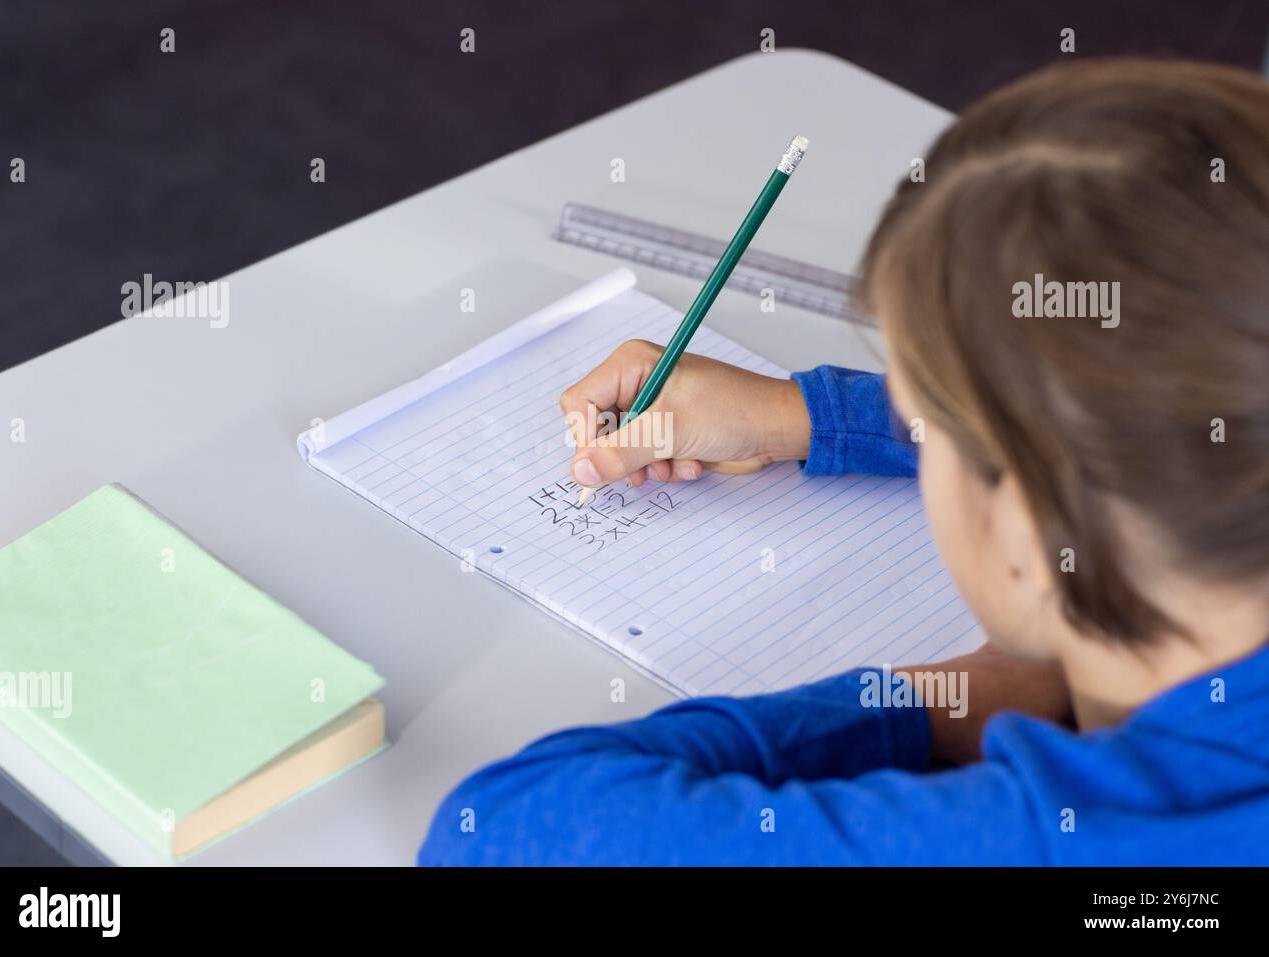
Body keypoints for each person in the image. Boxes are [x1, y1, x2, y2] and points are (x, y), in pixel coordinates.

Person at [419, 58, 1269, 865]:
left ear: (1029, 530)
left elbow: (503, 826)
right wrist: (807, 414)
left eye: (920, 417)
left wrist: (945, 702)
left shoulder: (1058, 838)